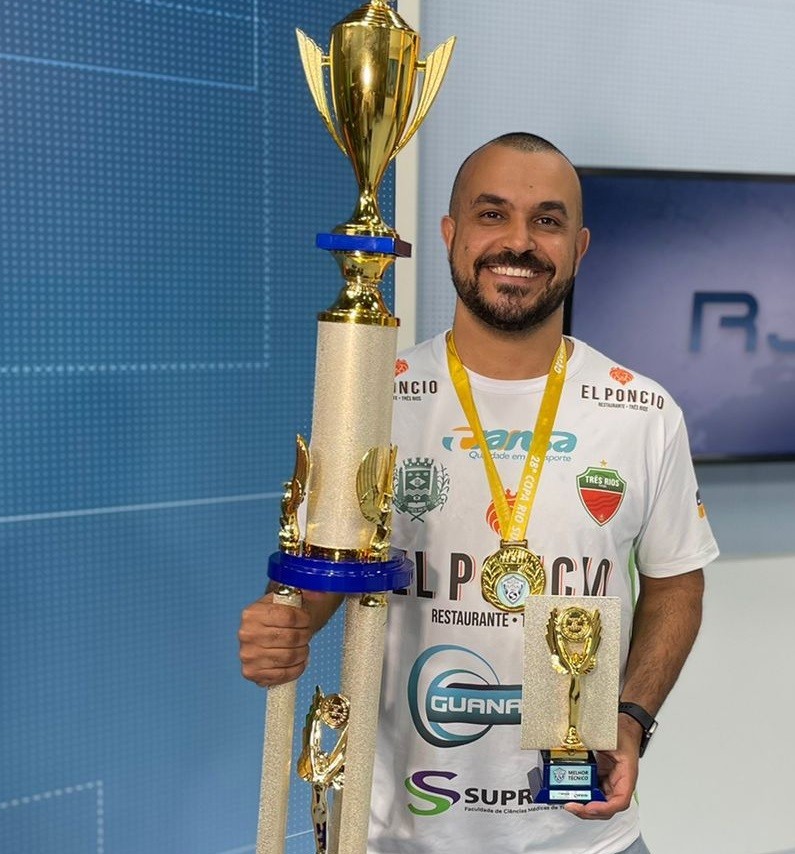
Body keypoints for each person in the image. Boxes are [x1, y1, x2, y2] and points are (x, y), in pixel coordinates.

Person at [238, 132, 719, 854]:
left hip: (584, 838)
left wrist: (631, 716)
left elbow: (677, 584)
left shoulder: (642, 413)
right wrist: (288, 626)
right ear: (451, 234)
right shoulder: (374, 398)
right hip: (400, 829)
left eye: (547, 220)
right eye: (492, 215)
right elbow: (328, 571)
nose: (519, 242)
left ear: (580, 246)